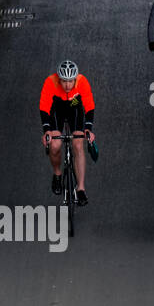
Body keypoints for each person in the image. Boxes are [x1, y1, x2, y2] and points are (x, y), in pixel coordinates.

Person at [39, 59, 96, 205]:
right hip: (57, 110)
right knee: (55, 145)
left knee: (78, 144)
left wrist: (88, 129)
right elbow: (44, 107)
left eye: (70, 81)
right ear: (59, 79)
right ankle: (57, 173)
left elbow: (89, 105)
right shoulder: (50, 82)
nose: (67, 85)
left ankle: (81, 188)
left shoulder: (82, 81)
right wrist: (47, 131)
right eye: (64, 81)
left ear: (75, 79)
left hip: (75, 108)